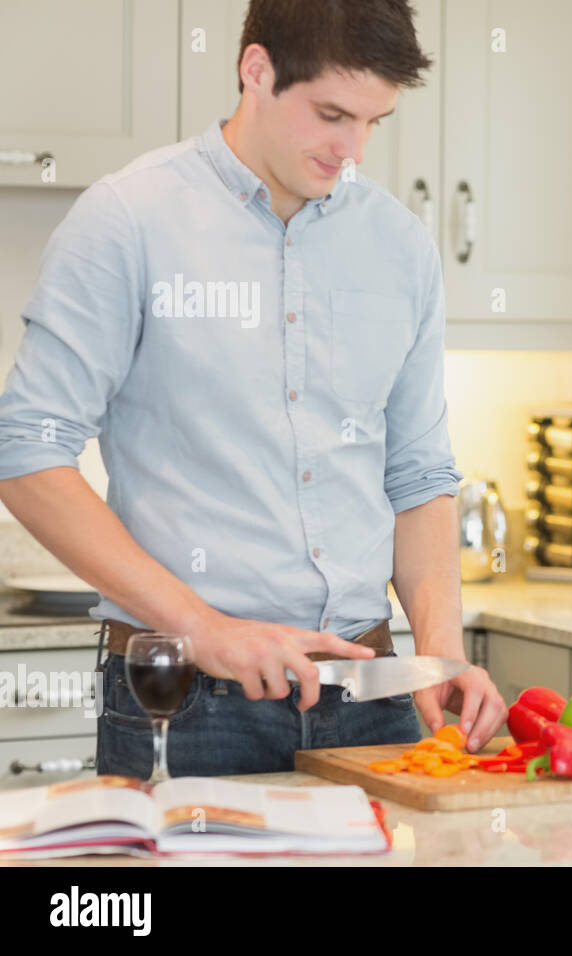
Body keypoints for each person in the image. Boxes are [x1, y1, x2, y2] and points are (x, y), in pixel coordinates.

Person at [0, 0, 506, 775]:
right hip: (187, 697)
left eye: (374, 121)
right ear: (256, 70)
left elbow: (419, 474)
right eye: (332, 114)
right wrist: (205, 629)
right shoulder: (128, 220)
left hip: (374, 697)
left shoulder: (400, 246)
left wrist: (441, 655)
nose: (352, 148)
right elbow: (26, 450)